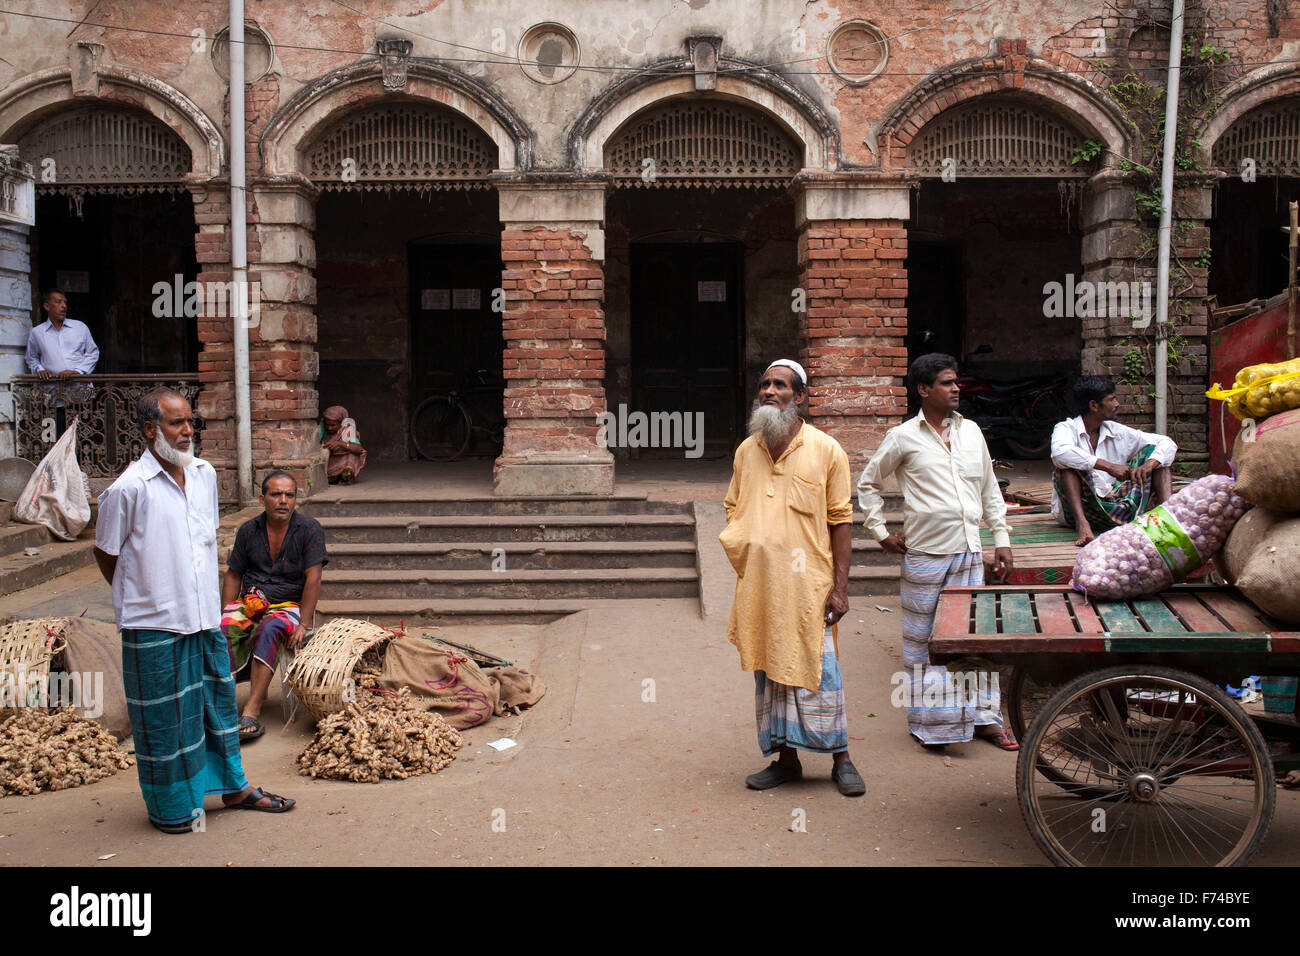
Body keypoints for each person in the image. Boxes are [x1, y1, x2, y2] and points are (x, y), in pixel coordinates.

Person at [93, 387, 294, 833]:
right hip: (153, 625)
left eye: (190, 422)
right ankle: (173, 809)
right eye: (176, 423)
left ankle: (234, 788)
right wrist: (144, 592)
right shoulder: (127, 490)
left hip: (204, 619)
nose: (187, 432)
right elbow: (107, 553)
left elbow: (201, 544)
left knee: (216, 709)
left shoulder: (203, 475)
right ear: (150, 430)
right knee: (164, 722)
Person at [857, 353, 1018, 750]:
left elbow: (990, 491)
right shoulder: (902, 437)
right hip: (925, 555)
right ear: (924, 390)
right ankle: (935, 727)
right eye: (947, 383)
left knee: (972, 639)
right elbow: (868, 484)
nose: (956, 388)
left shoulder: (972, 433)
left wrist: (1001, 540)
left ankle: (985, 718)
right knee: (924, 642)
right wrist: (880, 532)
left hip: (968, 551)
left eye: (956, 381)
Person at [719, 359, 864, 797]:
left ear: (799, 397)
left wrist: (840, 588)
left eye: (779, 385)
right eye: (764, 384)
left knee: (822, 672)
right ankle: (786, 760)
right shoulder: (747, 451)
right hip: (762, 585)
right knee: (769, 670)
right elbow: (733, 506)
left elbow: (841, 521)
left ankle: (842, 757)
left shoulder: (826, 450)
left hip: (810, 587)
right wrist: (748, 545)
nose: (768, 391)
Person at [221, 469, 327, 741]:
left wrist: (304, 623)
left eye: (289, 495)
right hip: (252, 600)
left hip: (289, 604)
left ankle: (252, 709)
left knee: (269, 628)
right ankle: (221, 706)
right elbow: (233, 574)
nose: (283, 501)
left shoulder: (309, 529)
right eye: (276, 494)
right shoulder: (248, 530)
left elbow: (313, 578)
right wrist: (226, 611)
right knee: (223, 629)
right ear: (262, 498)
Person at [1051, 376, 1177, 546]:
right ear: (1094, 405)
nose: (1117, 404)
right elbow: (1060, 453)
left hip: (1117, 508)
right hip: (1081, 511)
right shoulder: (1065, 429)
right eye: (1112, 399)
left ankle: (1168, 519)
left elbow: (1167, 443)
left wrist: (1150, 464)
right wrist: (1109, 467)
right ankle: (1083, 525)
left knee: (1159, 459)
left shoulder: (1116, 431)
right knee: (1066, 466)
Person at [25, 288, 99, 431]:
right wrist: (40, 370)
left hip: (81, 394)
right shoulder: (37, 333)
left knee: (85, 439)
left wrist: (77, 371)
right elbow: (31, 358)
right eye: (58, 302)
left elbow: (93, 353)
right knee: (59, 438)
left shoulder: (80, 327)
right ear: (47, 306)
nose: (63, 306)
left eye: (65, 302)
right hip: (54, 396)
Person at [321, 405, 367, 484]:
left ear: (342, 423)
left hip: (343, 462)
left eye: (333, 425)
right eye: (327, 425)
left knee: (351, 455)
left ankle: (346, 475)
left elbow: (359, 449)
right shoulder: (323, 430)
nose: (329, 428)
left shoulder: (349, 432)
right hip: (331, 462)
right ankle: (332, 476)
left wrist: (340, 444)